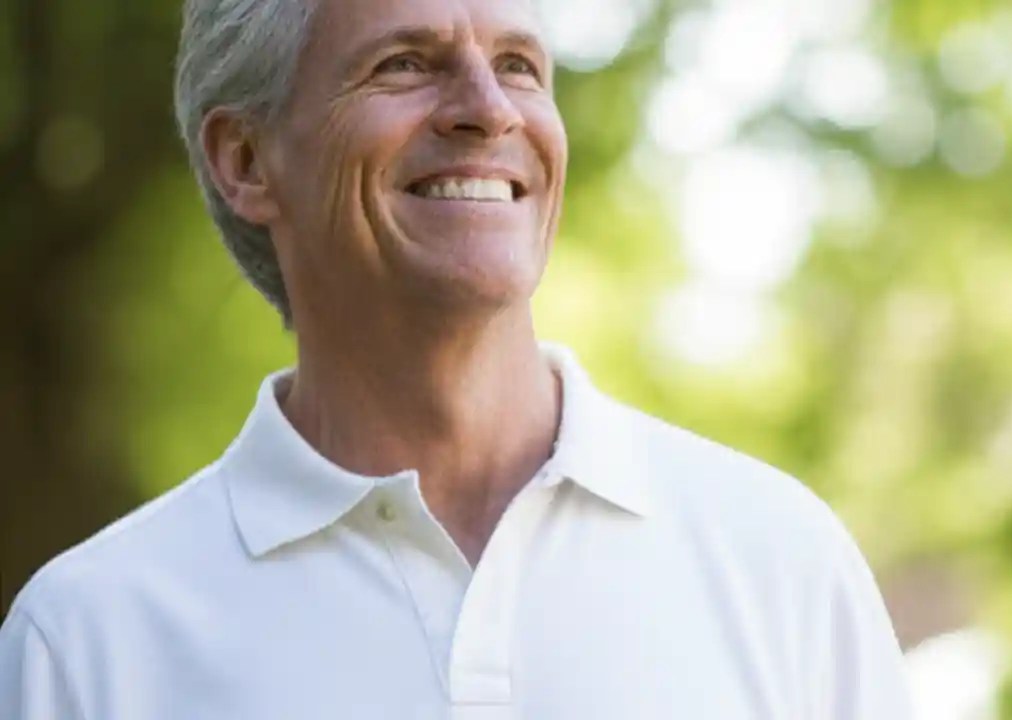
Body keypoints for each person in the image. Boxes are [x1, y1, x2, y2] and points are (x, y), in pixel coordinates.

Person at [0, 0, 912, 716]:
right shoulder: (87, 639)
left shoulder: (781, 562)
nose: (490, 110)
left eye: (518, 65)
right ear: (246, 158)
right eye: (404, 63)